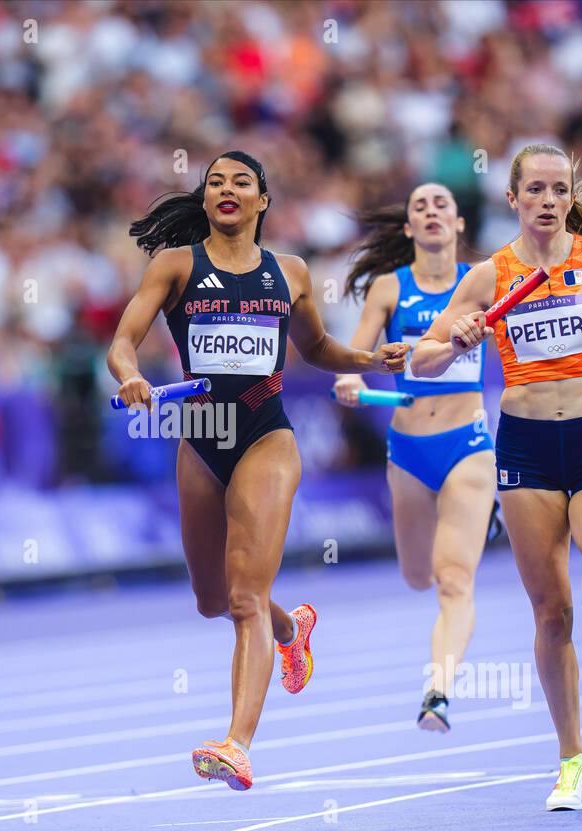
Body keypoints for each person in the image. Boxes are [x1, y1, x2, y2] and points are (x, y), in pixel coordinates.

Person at [106, 151, 406, 790]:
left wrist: (371, 360)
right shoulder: (176, 266)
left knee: (242, 595)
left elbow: (317, 348)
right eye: (215, 182)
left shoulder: (289, 272)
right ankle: (291, 626)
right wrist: (131, 377)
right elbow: (121, 342)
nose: (226, 190)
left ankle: (238, 743)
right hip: (202, 434)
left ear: (263, 201)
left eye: (241, 182)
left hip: (266, 435)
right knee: (211, 597)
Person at [411, 144, 582, 810]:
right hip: (526, 452)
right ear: (512, 199)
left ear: (569, 197)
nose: (546, 199)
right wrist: (457, 339)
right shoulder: (489, 276)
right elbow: (421, 360)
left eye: (557, 189)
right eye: (533, 189)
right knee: (552, 611)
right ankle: (571, 759)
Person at [333, 183, 496, 733]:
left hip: (467, 447)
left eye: (441, 205)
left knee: (454, 582)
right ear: (407, 229)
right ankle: (472, 525)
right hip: (405, 450)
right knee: (416, 576)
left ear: (458, 225)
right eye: (419, 206)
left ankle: (438, 693)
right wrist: (354, 378)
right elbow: (355, 357)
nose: (430, 212)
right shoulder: (388, 287)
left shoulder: (483, 284)